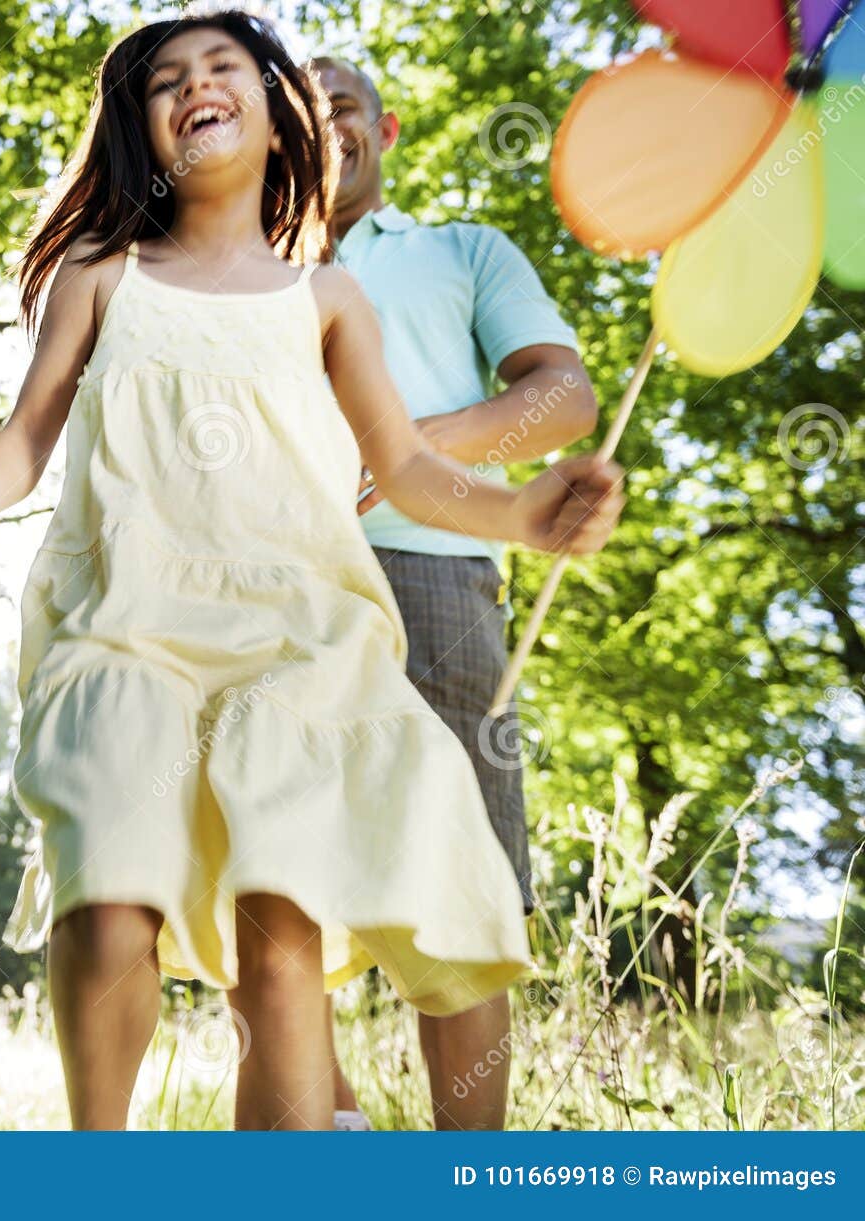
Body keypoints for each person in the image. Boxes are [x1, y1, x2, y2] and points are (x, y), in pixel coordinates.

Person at [0, 10, 624, 1130]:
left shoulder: (328, 299)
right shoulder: (101, 277)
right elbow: (24, 437)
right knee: (106, 897)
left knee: (284, 932)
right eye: (164, 81)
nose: (194, 86)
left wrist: (523, 515)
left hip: (298, 642)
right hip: (122, 630)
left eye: (222, 67)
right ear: (138, 131)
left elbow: (401, 466)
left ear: (276, 111)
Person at [314, 54, 599, 1130]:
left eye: (341, 102)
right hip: (270, 578)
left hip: (434, 568)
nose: (321, 119)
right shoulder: (234, 268)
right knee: (267, 860)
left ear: (383, 132)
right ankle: (324, 1128)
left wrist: (411, 449)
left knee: (466, 867)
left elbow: (562, 395)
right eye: (298, 104)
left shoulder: (462, 251)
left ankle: (465, 1165)